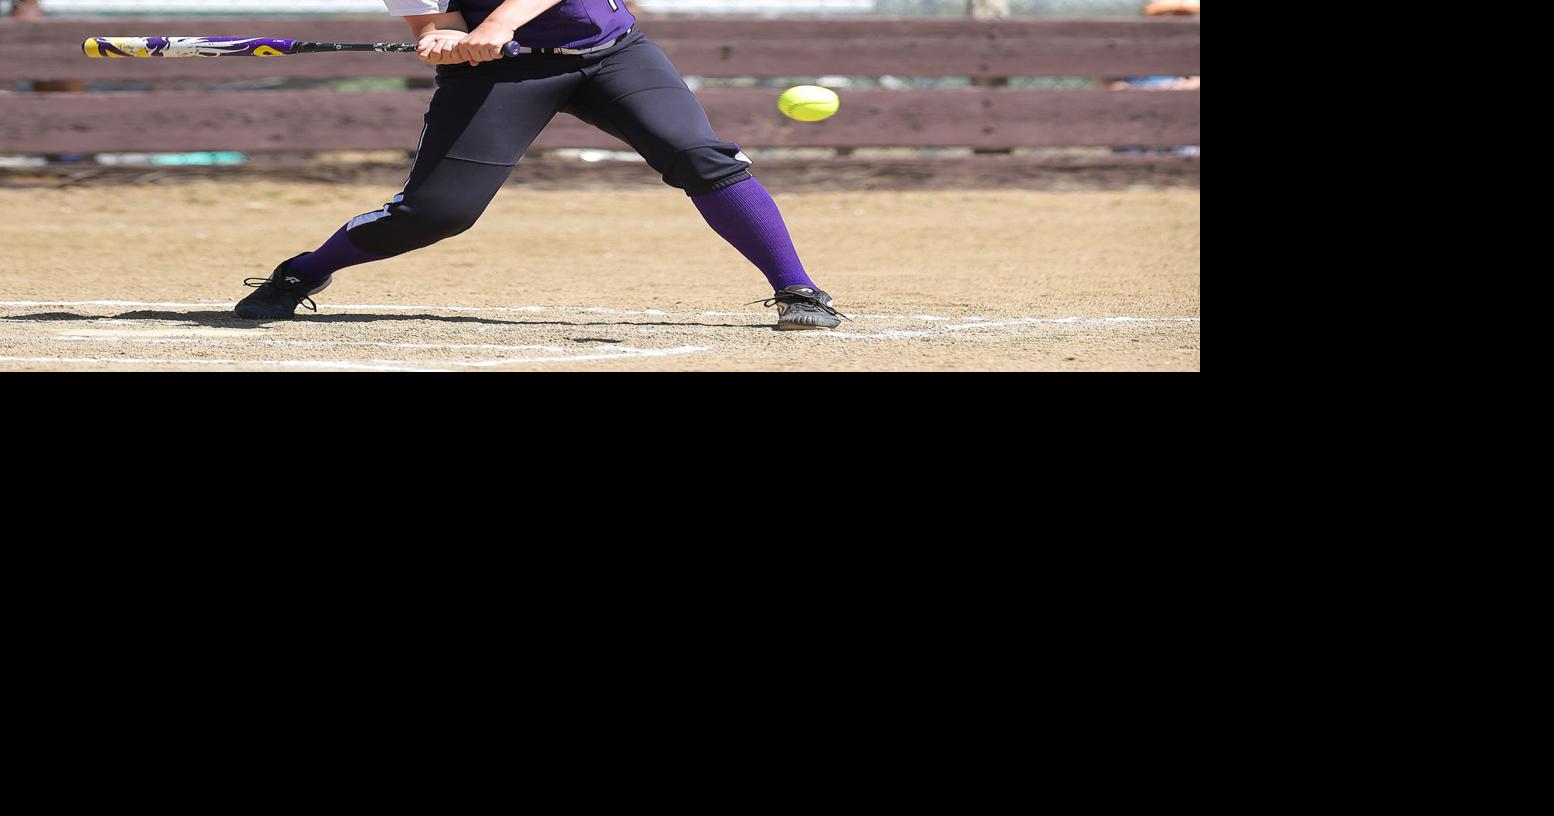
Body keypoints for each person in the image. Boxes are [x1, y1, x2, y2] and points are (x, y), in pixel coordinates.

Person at [234, 0, 845, 330]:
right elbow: (437, 20)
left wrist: (497, 21)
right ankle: (302, 272)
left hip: (612, 54)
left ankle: (798, 289)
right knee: (436, 212)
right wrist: (443, 38)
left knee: (696, 156)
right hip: (500, 74)